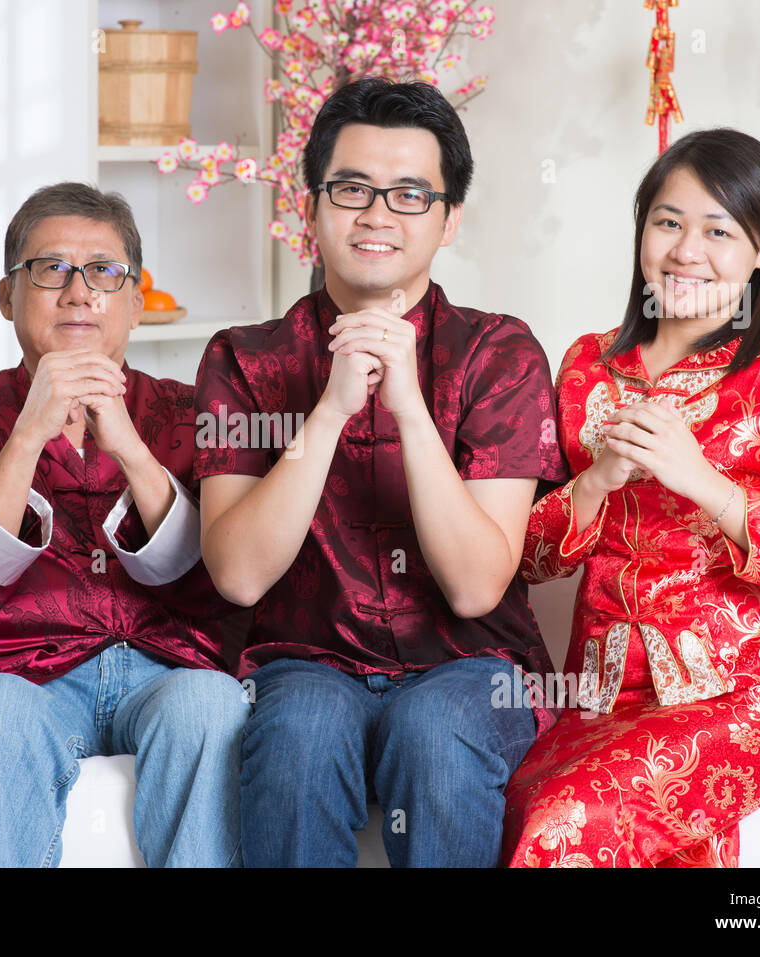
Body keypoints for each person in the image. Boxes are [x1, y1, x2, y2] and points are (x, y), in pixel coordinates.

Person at [194, 77, 568, 868]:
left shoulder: (500, 354)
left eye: (409, 194)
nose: (376, 215)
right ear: (312, 207)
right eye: (353, 188)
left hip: (471, 667)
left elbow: (474, 587)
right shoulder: (243, 357)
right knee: (298, 732)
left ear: (449, 217)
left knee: (432, 731)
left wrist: (411, 410)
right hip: (305, 661)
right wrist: (327, 411)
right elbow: (237, 575)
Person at [503, 128, 760, 867]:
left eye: (719, 230)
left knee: (564, 826)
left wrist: (707, 484)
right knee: (507, 808)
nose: (685, 251)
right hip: (595, 697)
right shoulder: (586, 366)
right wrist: (596, 479)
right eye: (668, 222)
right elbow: (523, 558)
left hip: (733, 702)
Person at [0, 182, 247, 868]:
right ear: (7, 297)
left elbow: (221, 580)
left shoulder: (187, 410)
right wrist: (27, 434)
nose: (78, 291)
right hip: (13, 669)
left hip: (164, 665)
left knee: (211, 702)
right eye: (50, 268)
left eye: (104, 271)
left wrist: (131, 449)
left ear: (137, 301)